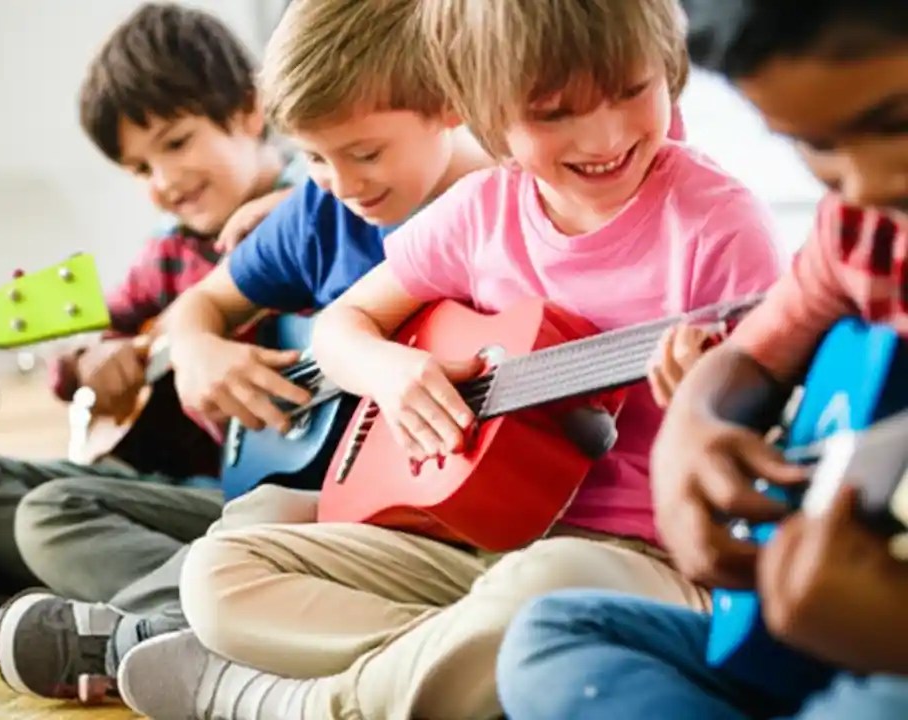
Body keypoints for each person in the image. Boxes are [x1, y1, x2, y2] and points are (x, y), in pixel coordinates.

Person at [117, 0, 784, 718]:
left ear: (670, 70)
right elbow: (345, 324)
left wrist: (717, 405)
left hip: (638, 558)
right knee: (224, 567)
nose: (605, 133)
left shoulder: (719, 224)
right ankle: (470, 666)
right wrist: (392, 374)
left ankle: (302, 705)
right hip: (473, 540)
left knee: (544, 587)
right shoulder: (482, 211)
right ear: (481, 111)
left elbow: (779, 439)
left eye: (631, 90)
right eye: (554, 112)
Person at [0, 0, 492, 706]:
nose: (343, 183)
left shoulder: (500, 211)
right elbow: (201, 304)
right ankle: (219, 626)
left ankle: (158, 634)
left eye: (364, 154)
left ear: (450, 103)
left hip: (405, 518)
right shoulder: (319, 211)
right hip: (278, 491)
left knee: (252, 537)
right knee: (49, 510)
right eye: (313, 158)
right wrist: (194, 347)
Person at [495, 2, 908, 718]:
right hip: (824, 626)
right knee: (555, 633)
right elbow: (756, 349)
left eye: (895, 122)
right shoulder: (863, 232)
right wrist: (691, 423)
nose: (864, 183)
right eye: (817, 146)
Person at [0, 2, 301, 603]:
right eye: (139, 167)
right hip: (203, 493)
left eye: (178, 142)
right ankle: (192, 587)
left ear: (249, 109)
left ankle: (178, 597)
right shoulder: (166, 258)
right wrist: (96, 360)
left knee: (52, 516)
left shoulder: (323, 203)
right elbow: (90, 341)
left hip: (294, 496)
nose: (163, 181)